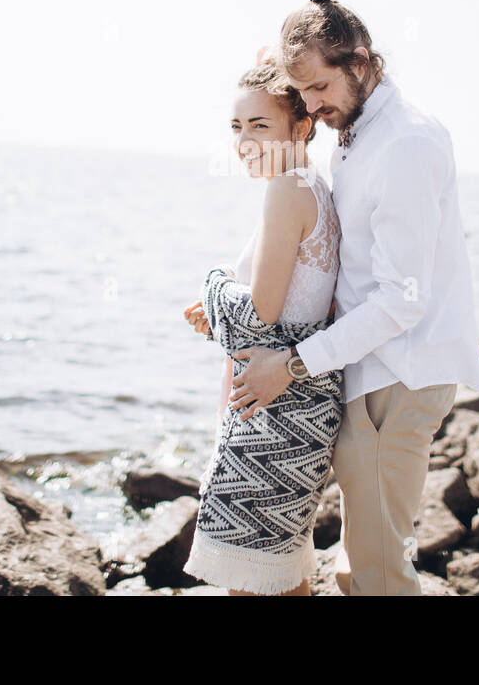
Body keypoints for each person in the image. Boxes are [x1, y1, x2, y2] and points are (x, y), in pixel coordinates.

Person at [229, 0, 479, 596]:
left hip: (398, 373)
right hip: (368, 371)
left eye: (319, 86)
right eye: (302, 92)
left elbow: (402, 299)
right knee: (358, 565)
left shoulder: (404, 143)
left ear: (362, 61)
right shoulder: (361, 134)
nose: (312, 106)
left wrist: (289, 366)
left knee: (376, 574)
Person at [180, 55, 343, 596]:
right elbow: (289, 305)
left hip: (276, 417)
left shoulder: (287, 190)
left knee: (249, 582)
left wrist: (212, 284)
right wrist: (226, 306)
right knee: (282, 576)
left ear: (302, 127)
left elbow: (263, 314)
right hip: (295, 407)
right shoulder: (311, 187)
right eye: (236, 126)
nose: (244, 140)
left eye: (260, 125)